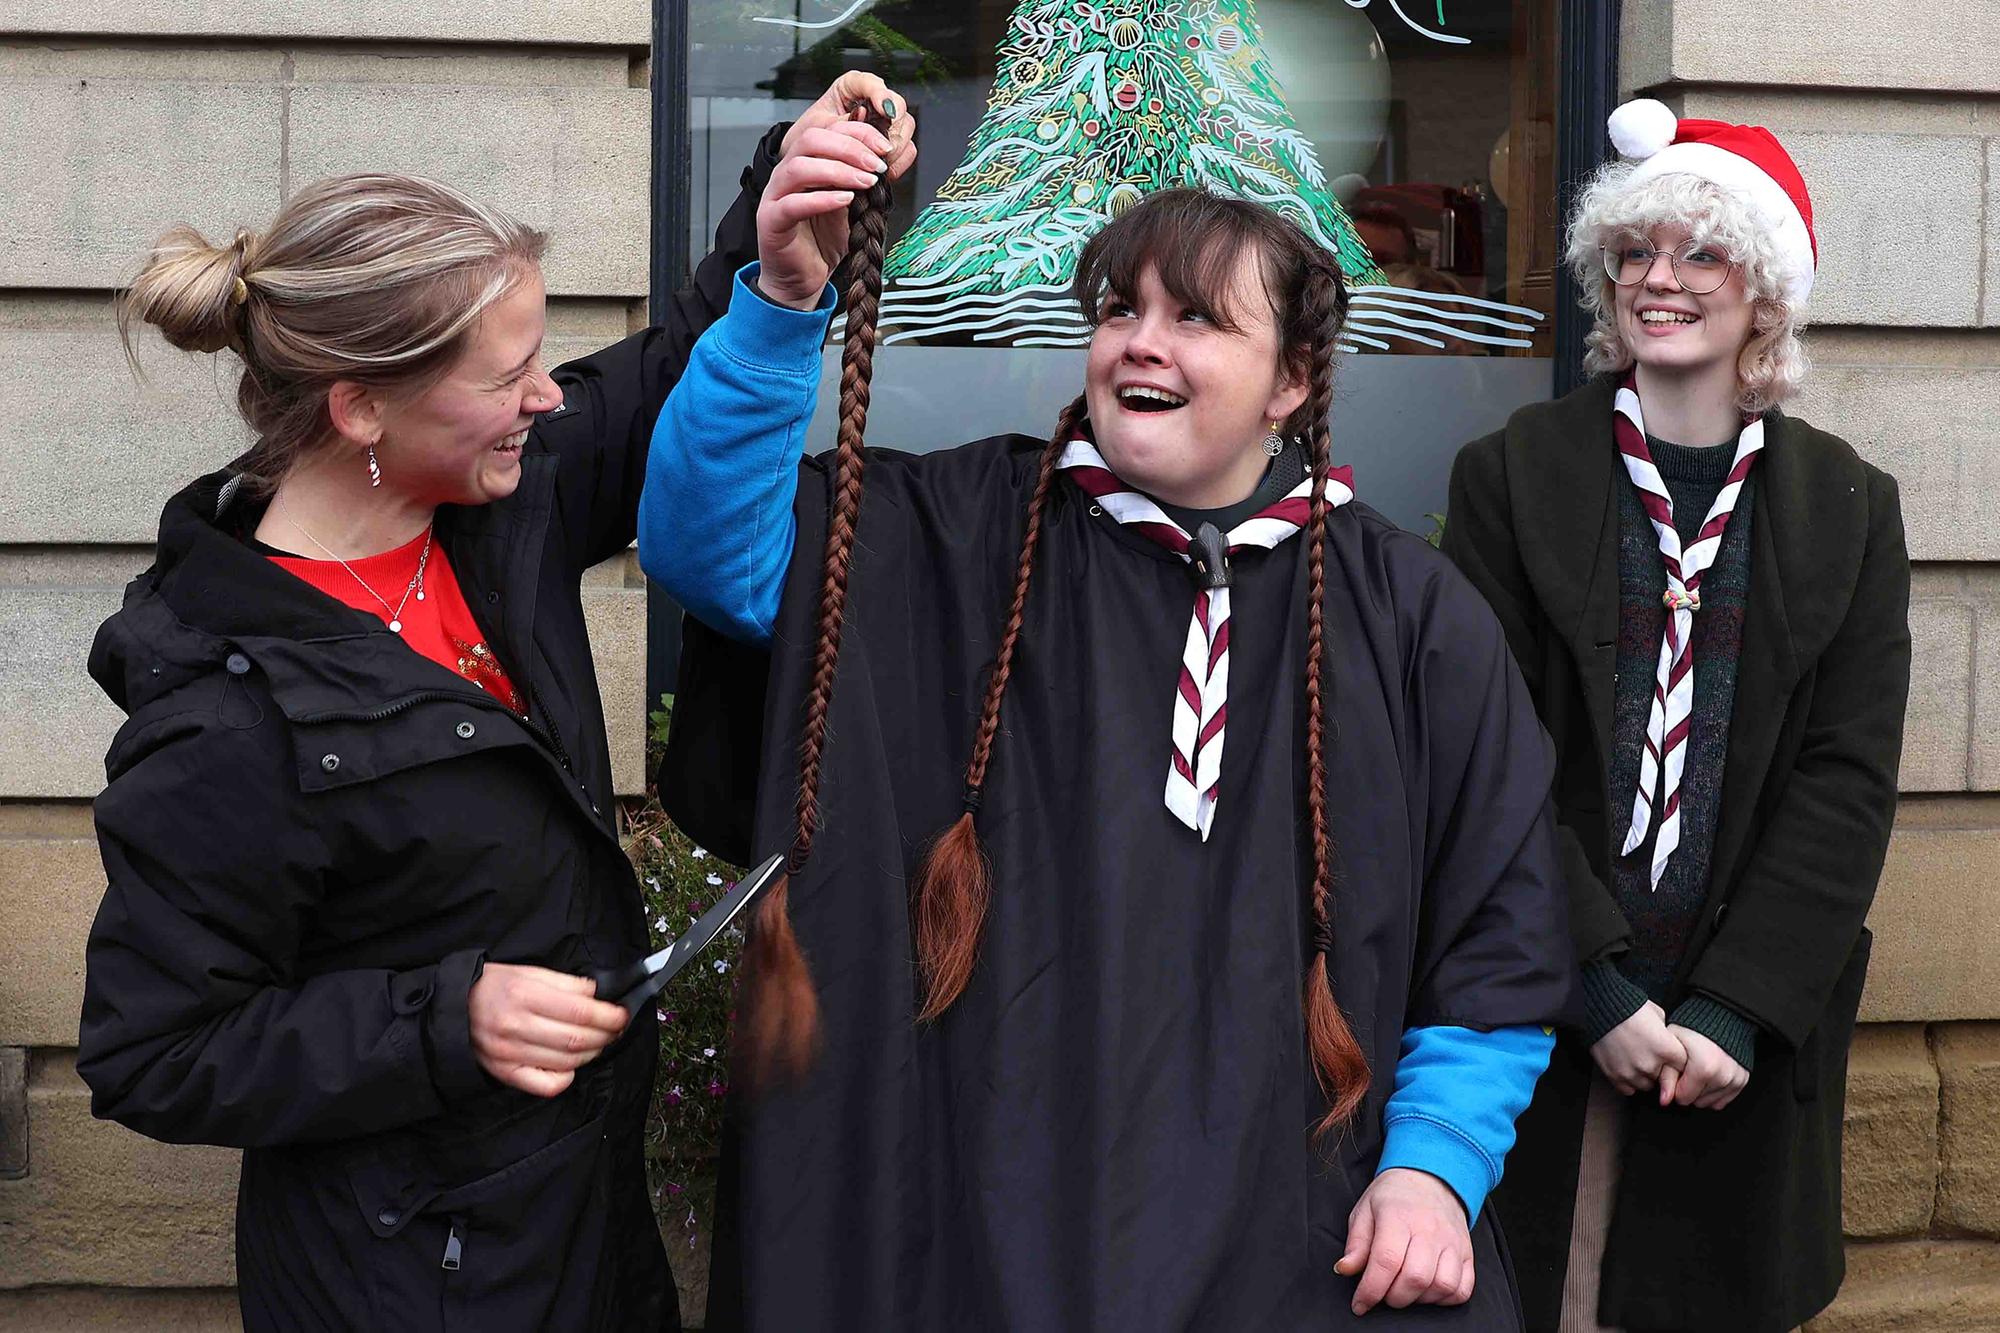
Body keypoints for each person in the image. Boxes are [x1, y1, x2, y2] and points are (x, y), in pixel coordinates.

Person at [642, 152, 1575, 1325]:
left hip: (1302, 1235)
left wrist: (1434, 1166)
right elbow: (704, 550)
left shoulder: (1412, 617)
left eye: (1195, 318)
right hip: (976, 1229)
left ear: (1289, 380)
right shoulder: (945, 537)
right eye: (1118, 309)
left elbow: (1496, 929)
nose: (1141, 341)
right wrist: (780, 305)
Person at [75, 74, 915, 1333]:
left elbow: (670, 369)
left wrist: (781, 220)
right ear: (361, 408)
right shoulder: (220, 708)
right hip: (412, 1286)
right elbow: (154, 1051)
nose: (545, 398)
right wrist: (441, 1018)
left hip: (585, 1238)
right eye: (510, 373)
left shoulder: (492, 510)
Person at [1443, 100, 1911, 1333]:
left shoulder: (1848, 507)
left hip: (1732, 1041)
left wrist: (1735, 1008)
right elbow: (1488, 759)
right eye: (1634, 253)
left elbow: (1844, 782)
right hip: (1553, 1007)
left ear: (1762, 295)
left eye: (1699, 254)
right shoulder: (1509, 474)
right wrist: (1590, 987)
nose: (1659, 281)